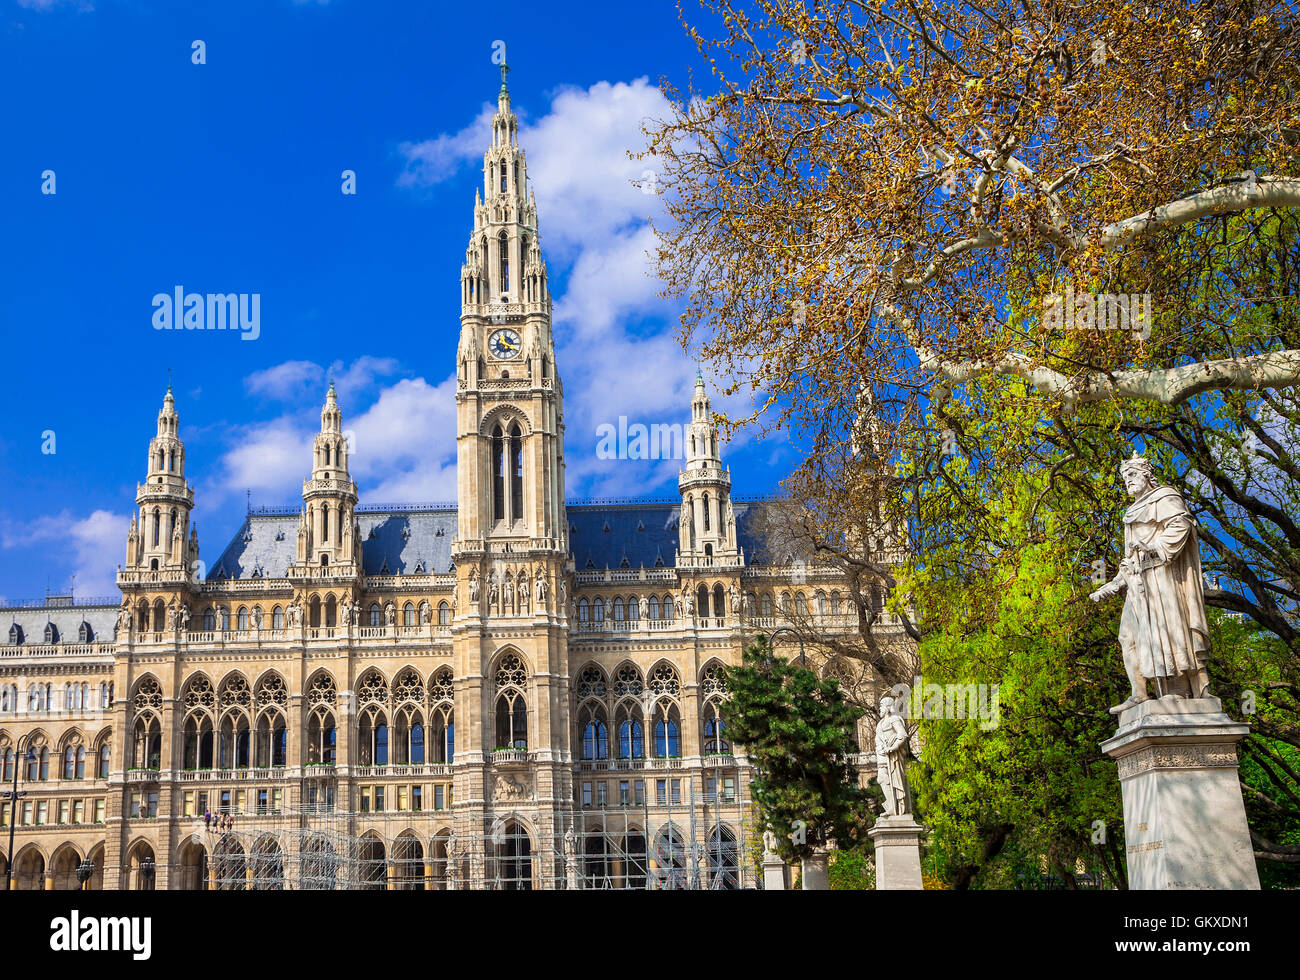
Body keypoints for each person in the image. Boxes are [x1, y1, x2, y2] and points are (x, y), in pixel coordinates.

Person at [1090, 455, 1212, 712]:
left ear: (1146, 474)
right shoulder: (1130, 512)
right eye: (1124, 478)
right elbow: (1130, 558)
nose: (1128, 481)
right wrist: (1110, 586)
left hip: (1161, 577)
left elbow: (1182, 524)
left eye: (1132, 475)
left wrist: (1153, 547)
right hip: (1137, 582)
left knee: (1167, 632)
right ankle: (1140, 693)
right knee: (1127, 637)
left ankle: (1177, 690)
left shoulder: (1165, 497)